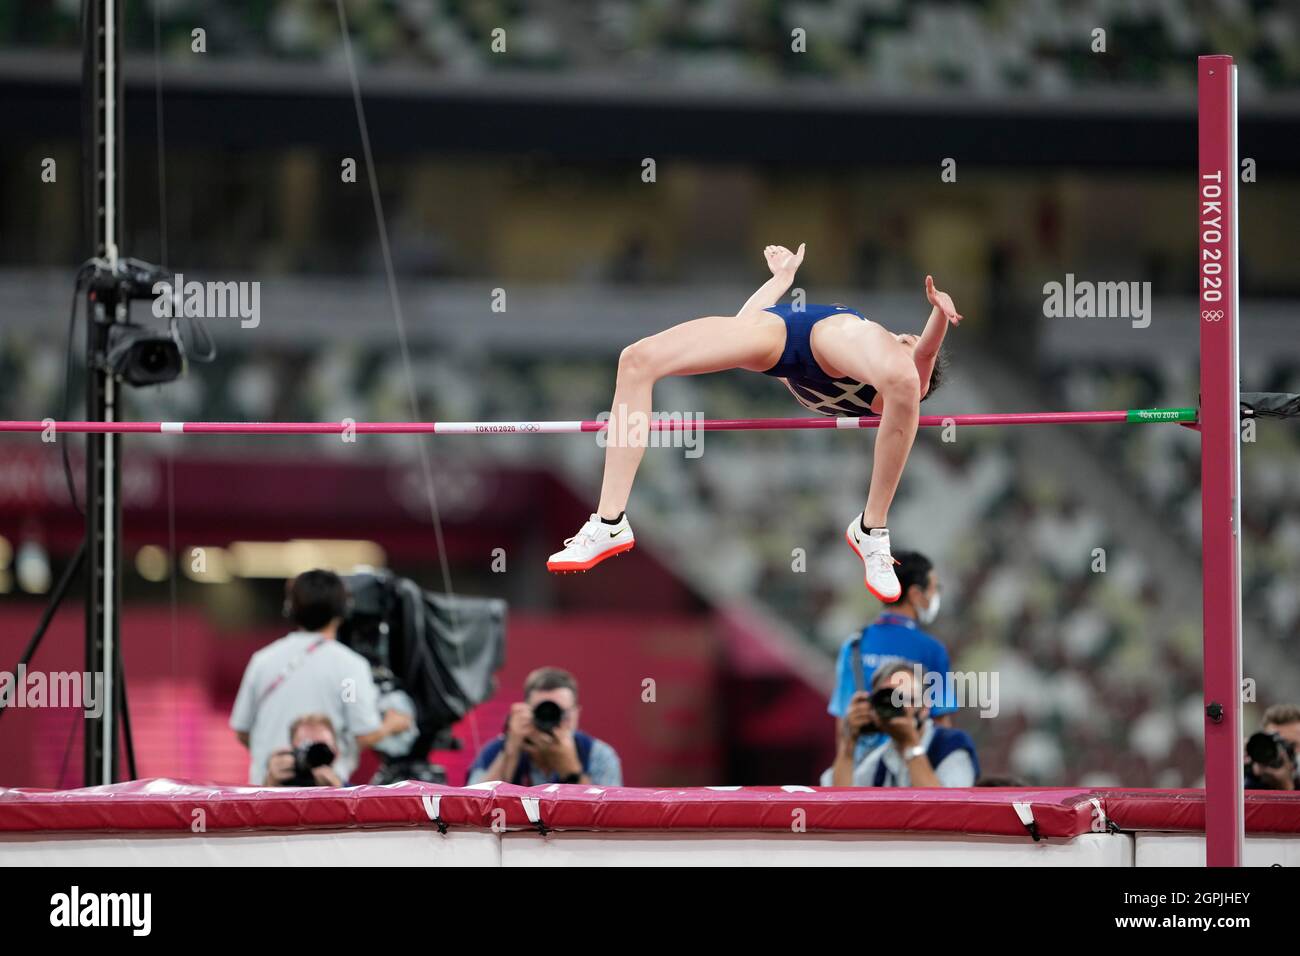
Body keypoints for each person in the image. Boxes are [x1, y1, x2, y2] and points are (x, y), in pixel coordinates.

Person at [546, 243, 963, 601]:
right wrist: (782, 278)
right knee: (636, 360)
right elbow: (743, 326)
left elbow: (920, 365)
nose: (899, 337)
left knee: (903, 378)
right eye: (903, 336)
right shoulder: (878, 348)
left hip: (832, 350)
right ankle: (609, 522)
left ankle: (872, 529)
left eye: (906, 340)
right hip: (783, 335)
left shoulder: (903, 379)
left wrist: (938, 320)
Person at [230, 569, 413, 785]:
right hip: (322, 794)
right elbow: (363, 733)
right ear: (343, 610)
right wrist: (394, 724)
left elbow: (242, 730)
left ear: (290, 608)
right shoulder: (349, 668)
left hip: (266, 791)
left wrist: (271, 751)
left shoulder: (262, 661)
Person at [827, 551, 957, 764]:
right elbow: (940, 722)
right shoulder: (932, 649)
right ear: (916, 594)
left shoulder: (854, 644)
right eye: (935, 589)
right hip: (909, 769)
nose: (935, 596)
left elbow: (843, 720)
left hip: (864, 771)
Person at [824, 661, 978, 787]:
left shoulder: (952, 745)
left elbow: (947, 812)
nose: (897, 706)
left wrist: (911, 746)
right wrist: (848, 746)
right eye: (888, 699)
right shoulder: (880, 761)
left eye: (906, 698)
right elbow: (841, 805)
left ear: (925, 707)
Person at [467, 667, 622, 786]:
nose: (551, 720)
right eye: (542, 711)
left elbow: (610, 818)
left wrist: (572, 772)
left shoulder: (599, 755)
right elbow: (473, 805)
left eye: (560, 713)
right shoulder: (496, 751)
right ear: (525, 711)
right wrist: (511, 750)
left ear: (576, 714)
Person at [263, 714, 344, 788]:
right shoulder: (281, 785)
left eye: (321, 749)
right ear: (292, 752)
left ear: (336, 753)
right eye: (306, 747)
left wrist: (340, 793)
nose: (314, 755)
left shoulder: (353, 794)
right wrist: (270, 785)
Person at [1244, 704, 1300, 791]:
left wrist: (1287, 788)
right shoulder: (1252, 778)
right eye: (1276, 743)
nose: (1281, 751)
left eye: (1290, 745)